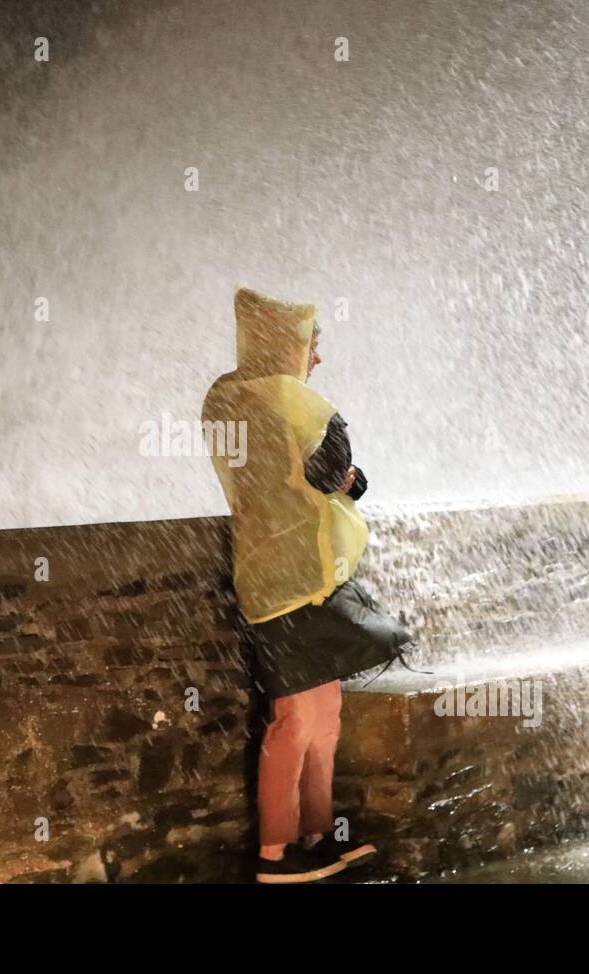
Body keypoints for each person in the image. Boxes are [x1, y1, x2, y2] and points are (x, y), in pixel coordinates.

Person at [202, 286, 416, 884]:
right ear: (284, 346)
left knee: (324, 714)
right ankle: (276, 855)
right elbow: (330, 475)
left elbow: (317, 479)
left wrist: (341, 480)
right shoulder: (282, 405)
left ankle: (320, 836)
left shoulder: (228, 399)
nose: (316, 359)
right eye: (310, 346)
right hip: (286, 583)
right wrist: (347, 480)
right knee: (294, 720)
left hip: (313, 577)